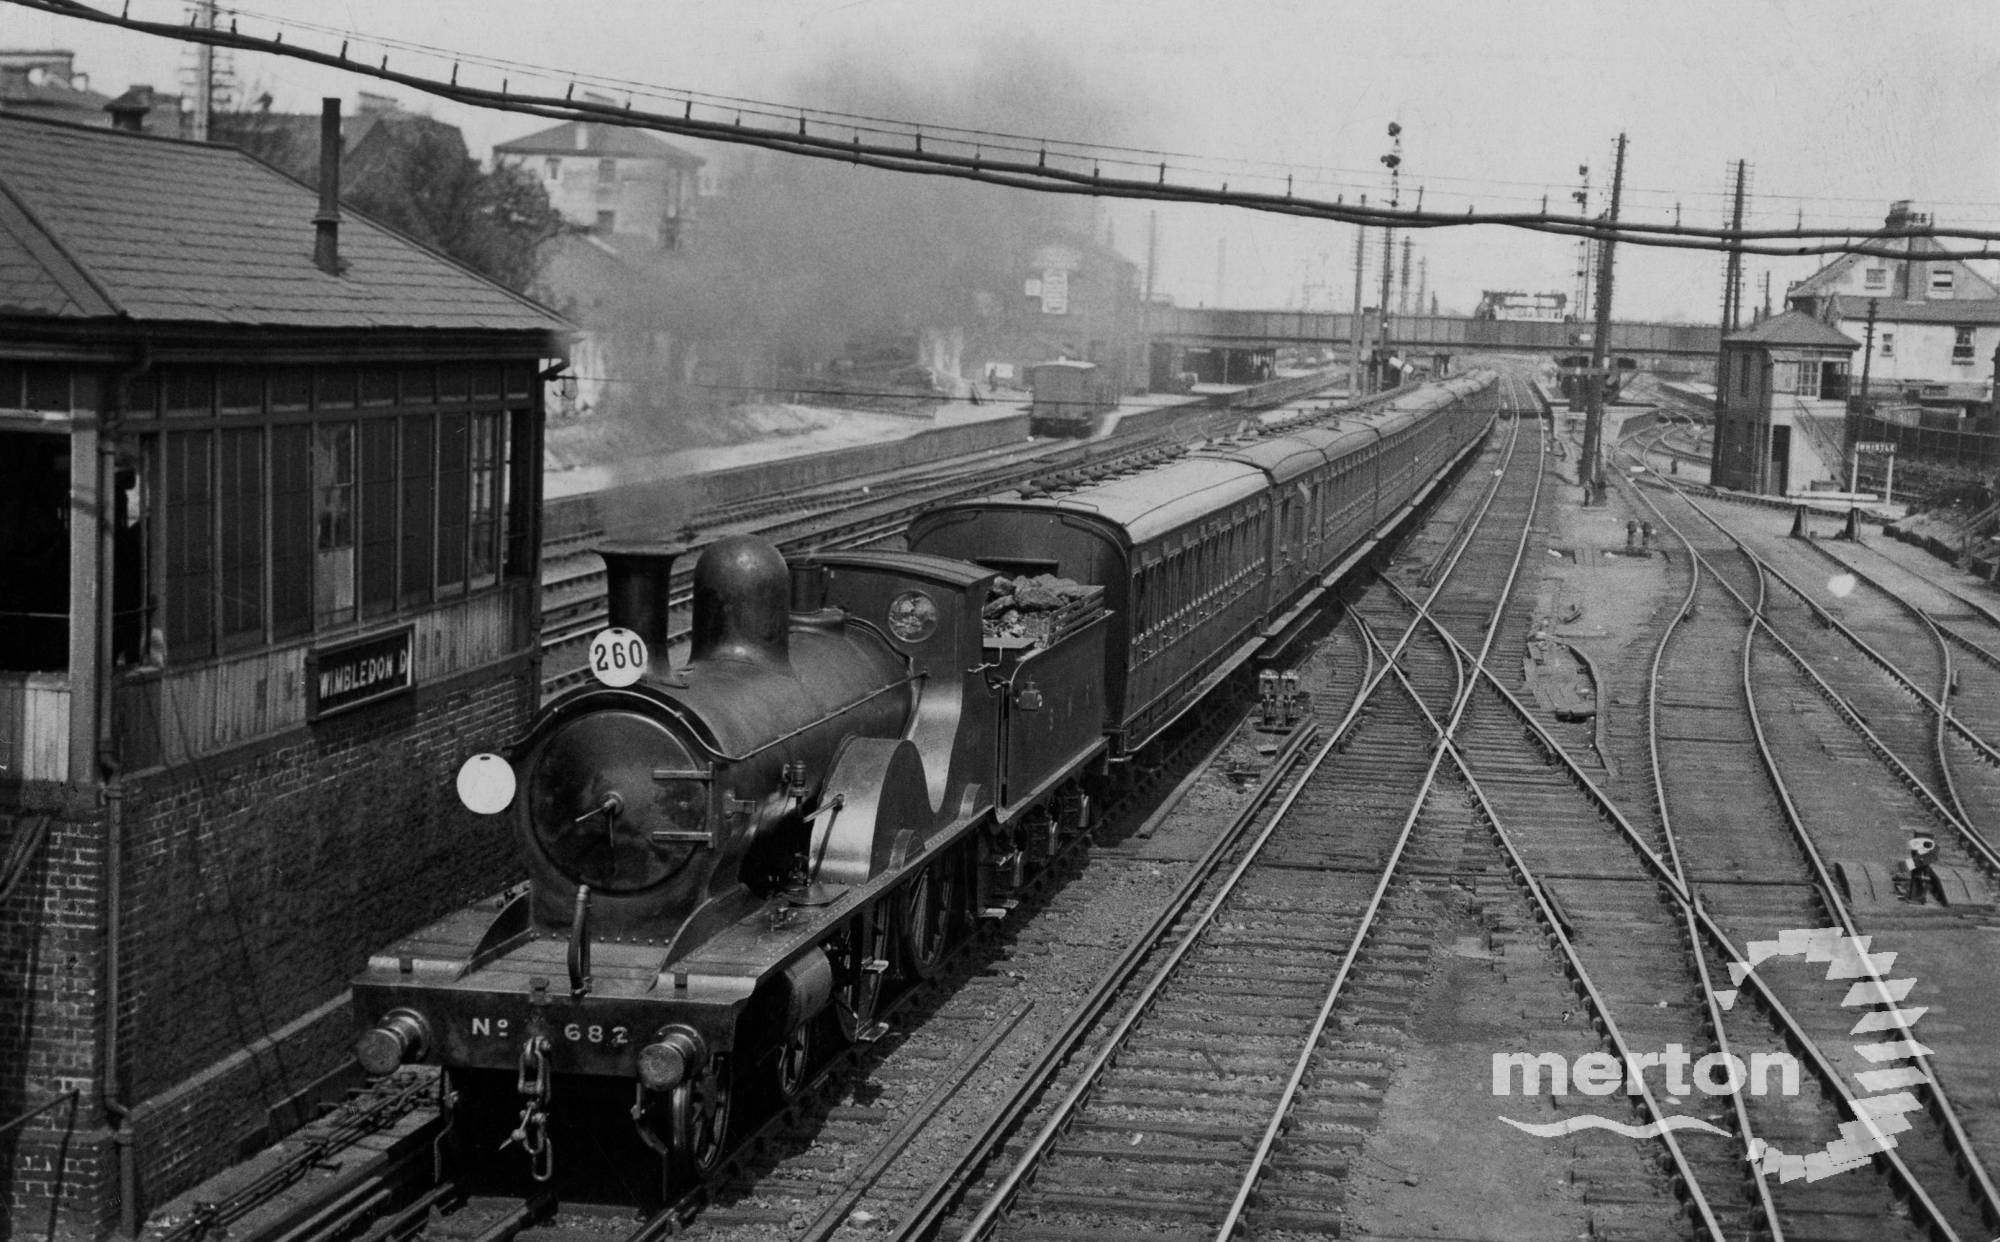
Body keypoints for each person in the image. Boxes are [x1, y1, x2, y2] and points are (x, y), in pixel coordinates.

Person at [1900, 835, 1940, 905]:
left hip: (1923, 859)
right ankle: (1919, 897)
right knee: (1920, 874)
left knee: (1921, 875)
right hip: (1922, 857)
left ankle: (1919, 897)